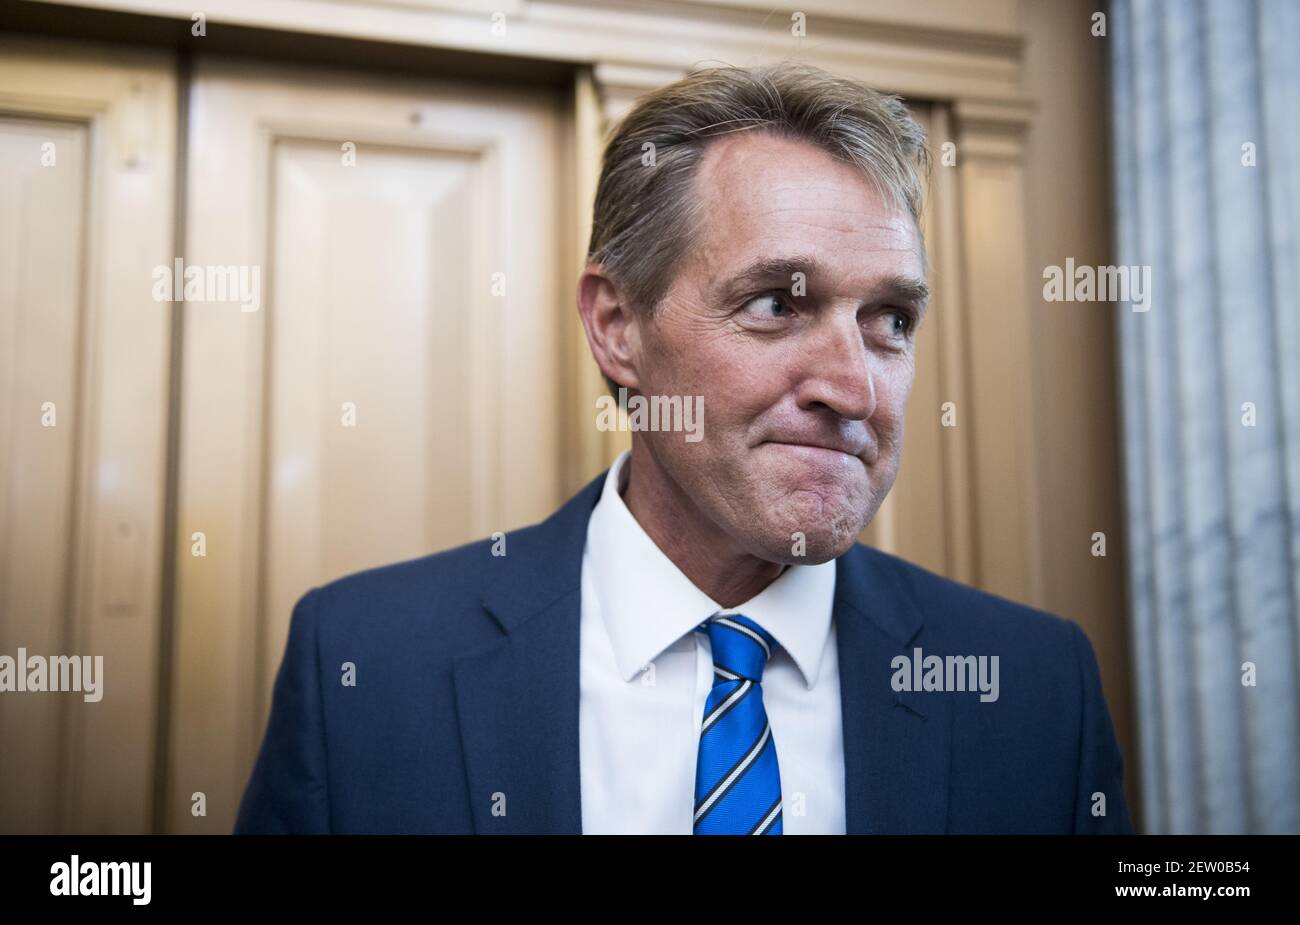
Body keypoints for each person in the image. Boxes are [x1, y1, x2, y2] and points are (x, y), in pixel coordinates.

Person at [234, 61, 1133, 835]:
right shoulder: (367, 666)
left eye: (890, 320)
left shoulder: (1035, 690)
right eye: (778, 305)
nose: (855, 388)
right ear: (619, 326)